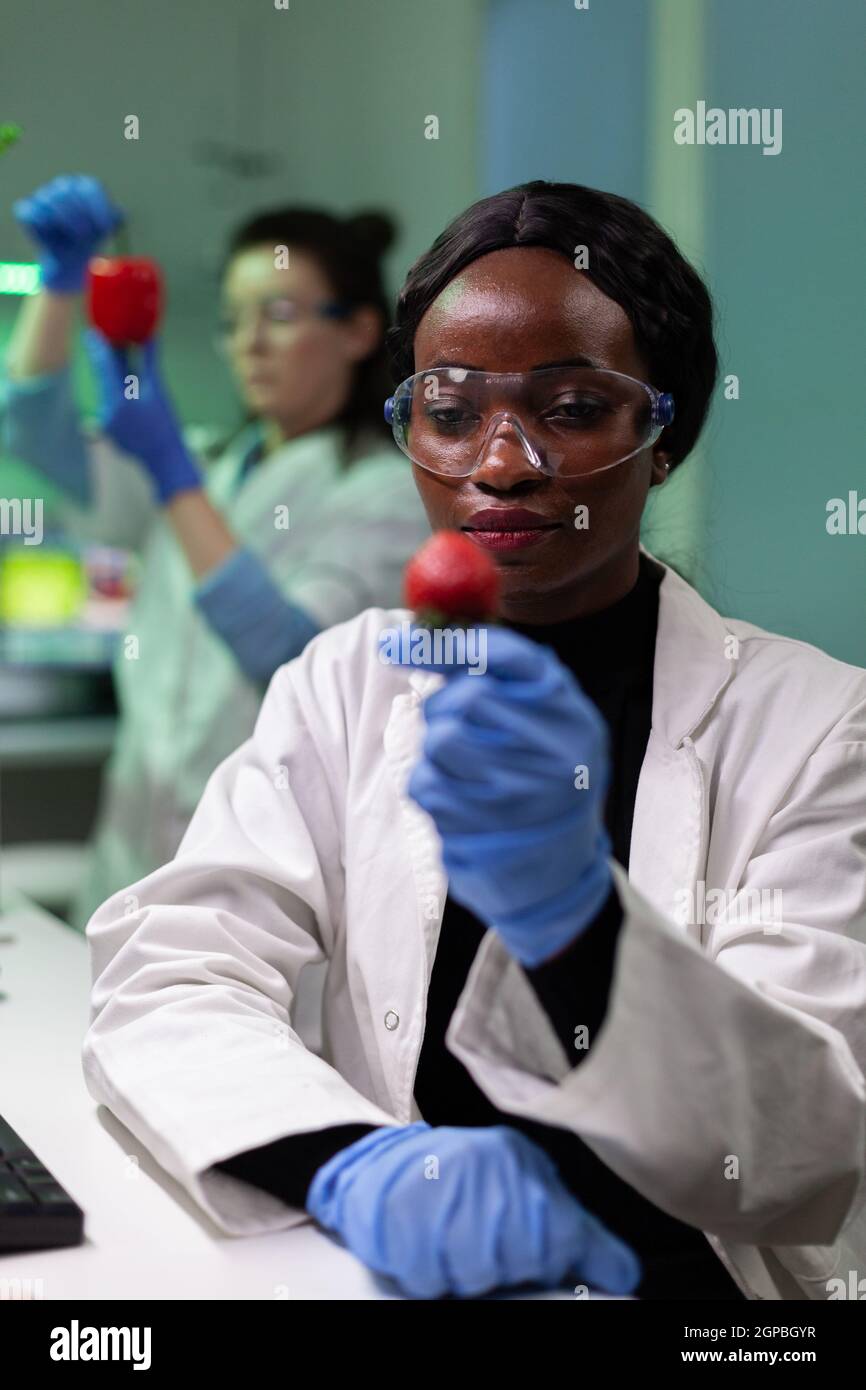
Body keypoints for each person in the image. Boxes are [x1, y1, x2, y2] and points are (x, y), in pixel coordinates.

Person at [81, 180, 866, 1300]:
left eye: (568, 407)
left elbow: (803, 1144)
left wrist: (575, 920)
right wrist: (350, 1164)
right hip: (413, 1271)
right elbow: (170, 970)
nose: (499, 465)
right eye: (449, 414)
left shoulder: (816, 725)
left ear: (662, 437)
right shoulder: (348, 680)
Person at [0, 175, 430, 927]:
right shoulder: (208, 466)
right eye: (234, 320)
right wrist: (62, 281)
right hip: (126, 865)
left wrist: (170, 472)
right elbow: (32, 427)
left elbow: (287, 650)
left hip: (260, 892)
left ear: (360, 331)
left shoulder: (386, 495)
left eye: (281, 315)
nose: (249, 343)